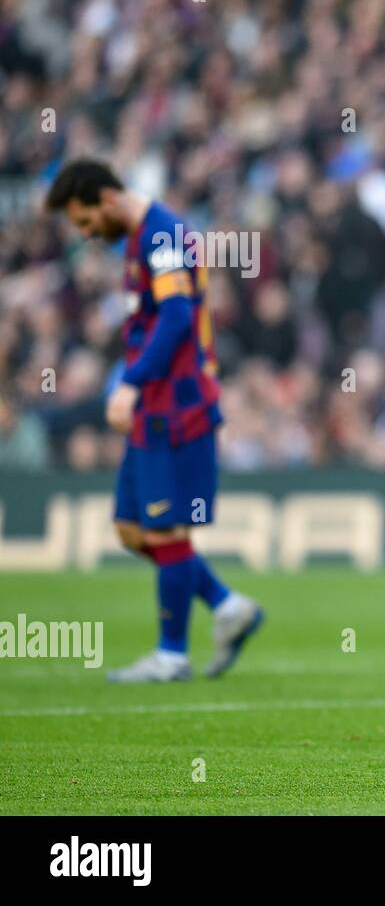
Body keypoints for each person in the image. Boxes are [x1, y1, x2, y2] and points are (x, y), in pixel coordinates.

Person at [46, 159, 263, 682]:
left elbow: (177, 317)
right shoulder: (140, 236)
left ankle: (172, 655)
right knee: (131, 528)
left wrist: (131, 381)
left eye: (85, 220)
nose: (86, 233)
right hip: (153, 407)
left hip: (176, 406)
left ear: (107, 198)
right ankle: (227, 604)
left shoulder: (162, 235)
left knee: (164, 529)